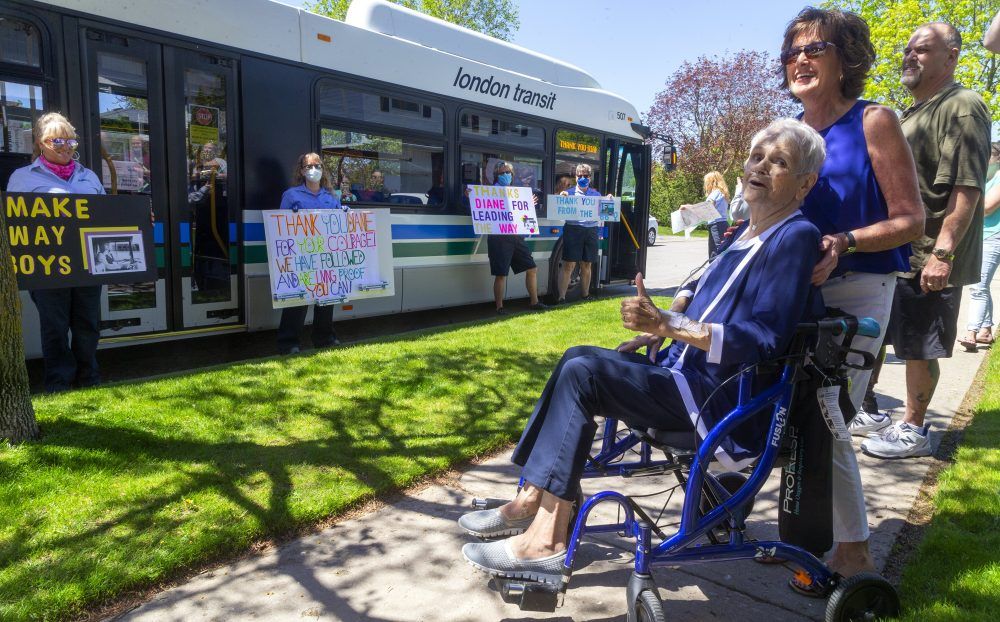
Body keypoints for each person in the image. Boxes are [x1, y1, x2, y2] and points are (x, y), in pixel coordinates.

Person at [460, 118, 826, 583]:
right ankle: (532, 498)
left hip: (718, 399)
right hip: (688, 380)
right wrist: (662, 328)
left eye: (779, 162)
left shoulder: (795, 236)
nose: (760, 168)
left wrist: (671, 325)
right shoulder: (744, 234)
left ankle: (545, 539)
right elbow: (700, 297)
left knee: (584, 375)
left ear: (804, 183)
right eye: (757, 157)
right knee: (577, 356)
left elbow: (765, 338)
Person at [778, 7, 926, 582]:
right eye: (792, 52)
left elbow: (910, 220)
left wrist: (846, 241)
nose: (800, 60)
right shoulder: (790, 133)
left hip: (860, 289)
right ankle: (799, 534)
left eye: (814, 49)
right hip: (796, 293)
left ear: (847, 58)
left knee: (830, 416)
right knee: (779, 415)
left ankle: (855, 553)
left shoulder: (874, 121)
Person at [861, 22, 991, 460]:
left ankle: (915, 430)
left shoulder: (963, 105)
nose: (910, 56)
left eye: (923, 49)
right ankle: (870, 411)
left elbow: (967, 186)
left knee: (918, 343)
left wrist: (942, 252)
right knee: (879, 335)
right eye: (908, 49)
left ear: (951, 56)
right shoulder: (913, 112)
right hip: (898, 249)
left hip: (929, 253)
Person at [7, 112, 106, 392]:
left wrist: (136, 221)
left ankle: (89, 379)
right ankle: (59, 383)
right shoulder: (22, 178)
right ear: (39, 142)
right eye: (57, 140)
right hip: (47, 265)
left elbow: (106, 217)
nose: (65, 146)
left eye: (71, 141)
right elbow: (16, 221)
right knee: (55, 327)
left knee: (88, 324)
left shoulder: (89, 177)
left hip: (88, 264)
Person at [276, 152, 348, 355]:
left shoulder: (331, 196)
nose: (313, 170)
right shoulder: (291, 195)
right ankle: (288, 343)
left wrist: (345, 214)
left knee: (326, 299)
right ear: (301, 171)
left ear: (322, 169)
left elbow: (339, 226)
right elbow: (281, 226)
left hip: (326, 257)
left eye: (317, 166)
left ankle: (325, 339)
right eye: (308, 166)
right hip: (301, 256)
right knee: (297, 300)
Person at [483, 160, 548, 314]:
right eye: (502, 173)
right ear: (496, 175)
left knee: (532, 268)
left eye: (508, 173)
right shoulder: (489, 192)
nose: (506, 175)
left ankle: (534, 302)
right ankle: (499, 307)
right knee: (501, 274)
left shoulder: (517, 192)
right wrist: (469, 196)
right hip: (499, 238)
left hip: (517, 237)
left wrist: (528, 204)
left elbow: (520, 214)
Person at [959, 144, 1000, 351]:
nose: (985, 160)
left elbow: (988, 207)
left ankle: (971, 332)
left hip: (994, 236)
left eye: (989, 156)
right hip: (981, 235)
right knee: (980, 284)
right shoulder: (987, 178)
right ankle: (985, 330)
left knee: (978, 286)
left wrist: (962, 211)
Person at [555, 163, 611, 303]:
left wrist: (609, 200)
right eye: (579, 176)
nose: (582, 178)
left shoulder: (596, 195)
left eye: (585, 176)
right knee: (569, 264)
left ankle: (585, 295)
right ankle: (561, 297)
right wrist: (561, 196)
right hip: (573, 229)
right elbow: (558, 205)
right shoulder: (569, 193)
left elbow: (606, 211)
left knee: (587, 264)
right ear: (575, 177)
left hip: (591, 230)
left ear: (590, 177)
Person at [703, 171, 731, 257]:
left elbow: (708, 206)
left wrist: (690, 208)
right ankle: (714, 269)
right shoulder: (721, 193)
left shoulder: (715, 192)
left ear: (711, 181)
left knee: (719, 250)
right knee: (714, 252)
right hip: (719, 224)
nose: (705, 185)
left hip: (717, 224)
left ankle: (721, 269)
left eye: (706, 182)